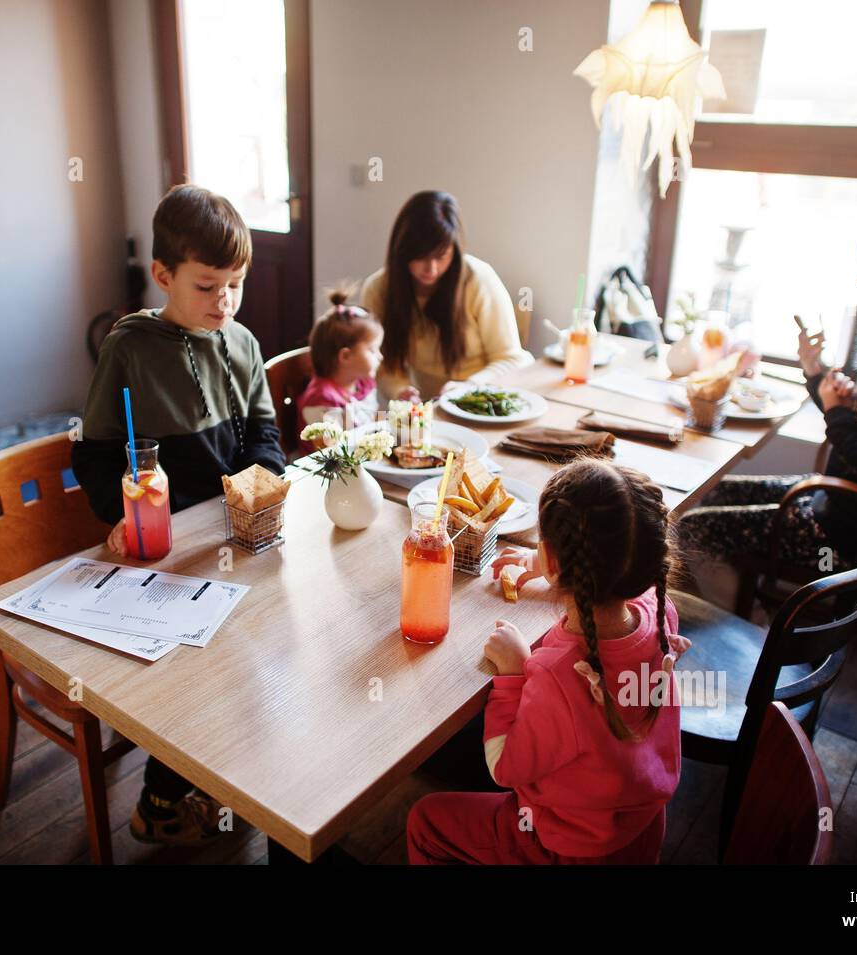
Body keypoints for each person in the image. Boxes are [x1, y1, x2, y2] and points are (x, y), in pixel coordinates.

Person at [70, 183, 286, 845]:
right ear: (163, 275)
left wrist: (263, 484)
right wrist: (119, 512)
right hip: (165, 550)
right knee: (193, 664)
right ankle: (160, 800)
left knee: (267, 641)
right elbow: (93, 455)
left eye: (237, 284)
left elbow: (265, 435)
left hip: (236, 536)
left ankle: (231, 761)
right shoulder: (129, 350)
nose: (224, 302)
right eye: (207, 285)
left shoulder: (242, 342)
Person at [406, 459, 689, 864]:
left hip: (564, 846)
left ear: (556, 560)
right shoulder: (661, 614)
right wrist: (541, 566)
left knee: (425, 821)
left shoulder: (558, 674)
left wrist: (514, 674)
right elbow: (615, 567)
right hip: (638, 832)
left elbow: (503, 766)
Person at [676, 207, 857, 569]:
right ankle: (732, 612)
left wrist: (836, 410)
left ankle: (732, 621)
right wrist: (816, 373)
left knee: (690, 527)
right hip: (839, 501)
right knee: (711, 493)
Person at [360, 191, 533, 402]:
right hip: (431, 406)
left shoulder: (478, 279)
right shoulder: (379, 289)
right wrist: (400, 390)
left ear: (455, 249)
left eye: (441, 256)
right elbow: (383, 362)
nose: (431, 269)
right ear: (402, 250)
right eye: (420, 257)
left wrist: (471, 387)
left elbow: (511, 359)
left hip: (485, 400)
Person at [294, 287, 382, 455]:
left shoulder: (363, 383)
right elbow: (331, 455)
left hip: (362, 461)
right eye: (372, 350)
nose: (380, 356)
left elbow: (373, 423)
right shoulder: (321, 401)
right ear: (346, 356)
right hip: (329, 473)